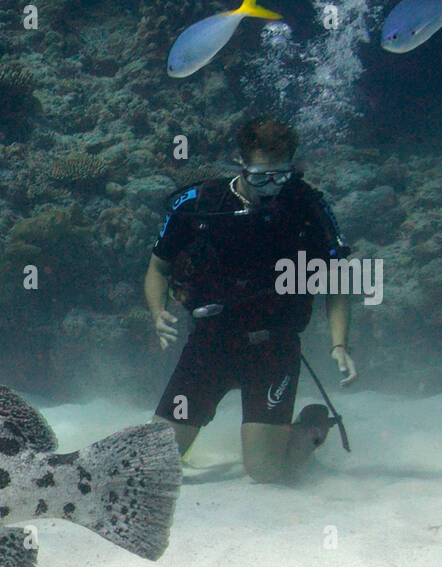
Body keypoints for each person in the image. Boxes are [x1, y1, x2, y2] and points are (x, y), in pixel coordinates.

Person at [144, 116, 357, 483]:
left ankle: (311, 424)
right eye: (259, 177)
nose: (270, 188)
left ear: (292, 167)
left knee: (266, 471)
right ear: (240, 164)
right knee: (153, 465)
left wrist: (339, 344)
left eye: (280, 176)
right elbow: (158, 267)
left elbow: (338, 281)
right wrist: (157, 312)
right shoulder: (199, 202)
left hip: (273, 347)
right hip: (210, 343)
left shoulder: (308, 206)